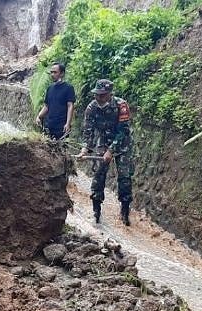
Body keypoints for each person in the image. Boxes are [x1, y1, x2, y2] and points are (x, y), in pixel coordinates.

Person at [78, 79, 134, 226]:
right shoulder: (92, 107)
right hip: (102, 141)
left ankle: (125, 210)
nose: (99, 97)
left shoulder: (121, 105)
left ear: (110, 94)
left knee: (125, 177)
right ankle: (96, 209)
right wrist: (84, 149)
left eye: (102, 95)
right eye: (97, 94)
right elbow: (88, 131)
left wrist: (111, 151)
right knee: (99, 174)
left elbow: (123, 131)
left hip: (122, 144)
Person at [35, 63, 76, 140]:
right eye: (51, 72)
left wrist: (68, 123)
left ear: (62, 73)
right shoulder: (50, 88)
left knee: (61, 146)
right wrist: (39, 116)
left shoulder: (68, 88)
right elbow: (46, 106)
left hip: (61, 127)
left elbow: (70, 106)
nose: (52, 74)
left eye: (55, 72)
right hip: (49, 125)